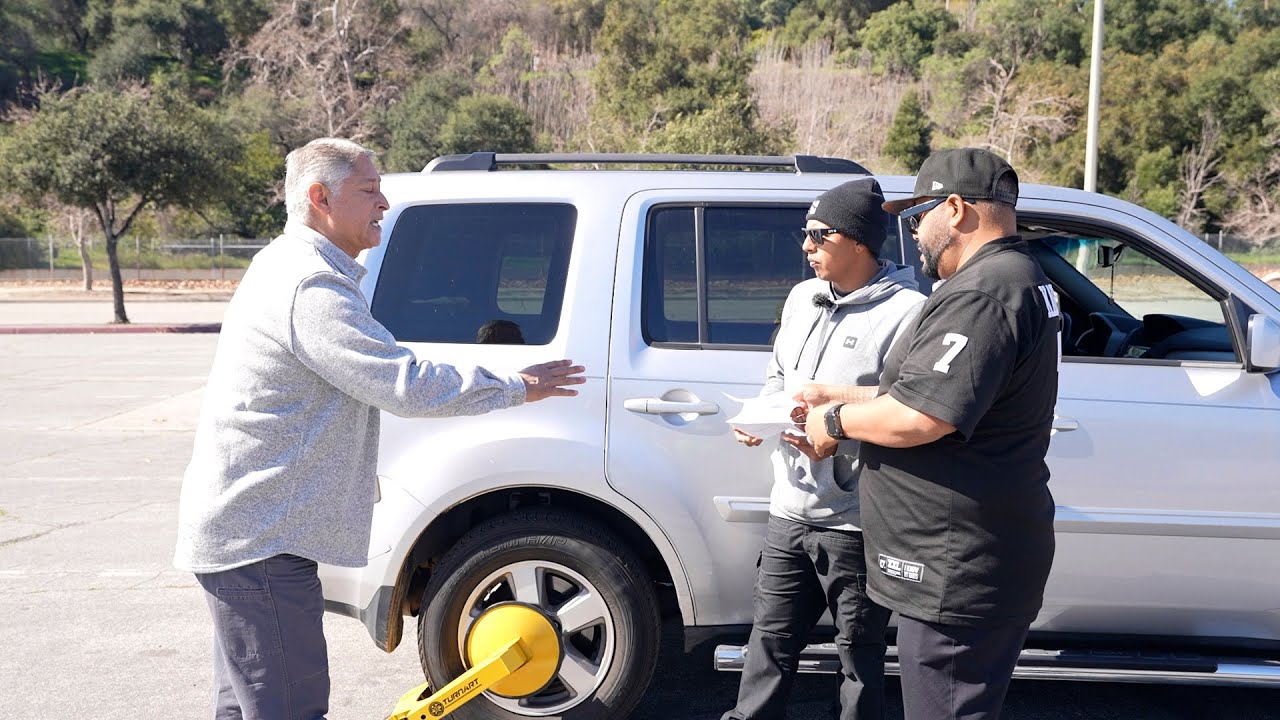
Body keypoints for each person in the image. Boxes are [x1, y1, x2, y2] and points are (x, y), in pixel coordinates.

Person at [173, 138, 585, 720]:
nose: (384, 202)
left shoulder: (291, 265)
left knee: (249, 707)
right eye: (368, 190)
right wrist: (516, 386)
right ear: (320, 198)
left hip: (252, 532)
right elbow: (401, 383)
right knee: (288, 707)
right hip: (260, 538)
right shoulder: (309, 285)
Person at [801, 149, 1059, 720]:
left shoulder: (983, 292)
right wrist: (838, 395)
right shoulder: (1010, 278)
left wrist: (834, 424)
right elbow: (939, 396)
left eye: (918, 216)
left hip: (955, 567)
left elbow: (924, 418)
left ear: (957, 208)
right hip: (962, 559)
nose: (912, 233)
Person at [723, 178, 926, 720]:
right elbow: (780, 377)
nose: (806, 246)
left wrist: (836, 432)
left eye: (819, 235)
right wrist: (758, 419)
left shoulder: (909, 311)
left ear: (859, 241)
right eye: (805, 234)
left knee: (859, 661)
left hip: (859, 522)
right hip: (789, 511)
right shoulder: (800, 298)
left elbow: (910, 406)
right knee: (767, 647)